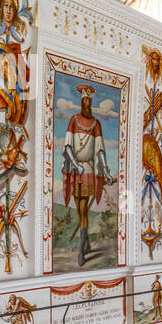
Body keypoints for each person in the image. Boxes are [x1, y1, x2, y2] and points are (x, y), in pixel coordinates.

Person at [61, 83, 112, 266]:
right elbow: (67, 147)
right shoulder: (74, 120)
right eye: (85, 100)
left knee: (83, 209)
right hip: (77, 170)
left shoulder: (96, 124)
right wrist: (75, 165)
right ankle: (87, 243)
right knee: (80, 208)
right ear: (82, 102)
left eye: (90, 100)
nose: (88, 103)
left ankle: (82, 250)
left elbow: (100, 150)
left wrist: (105, 169)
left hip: (89, 169)